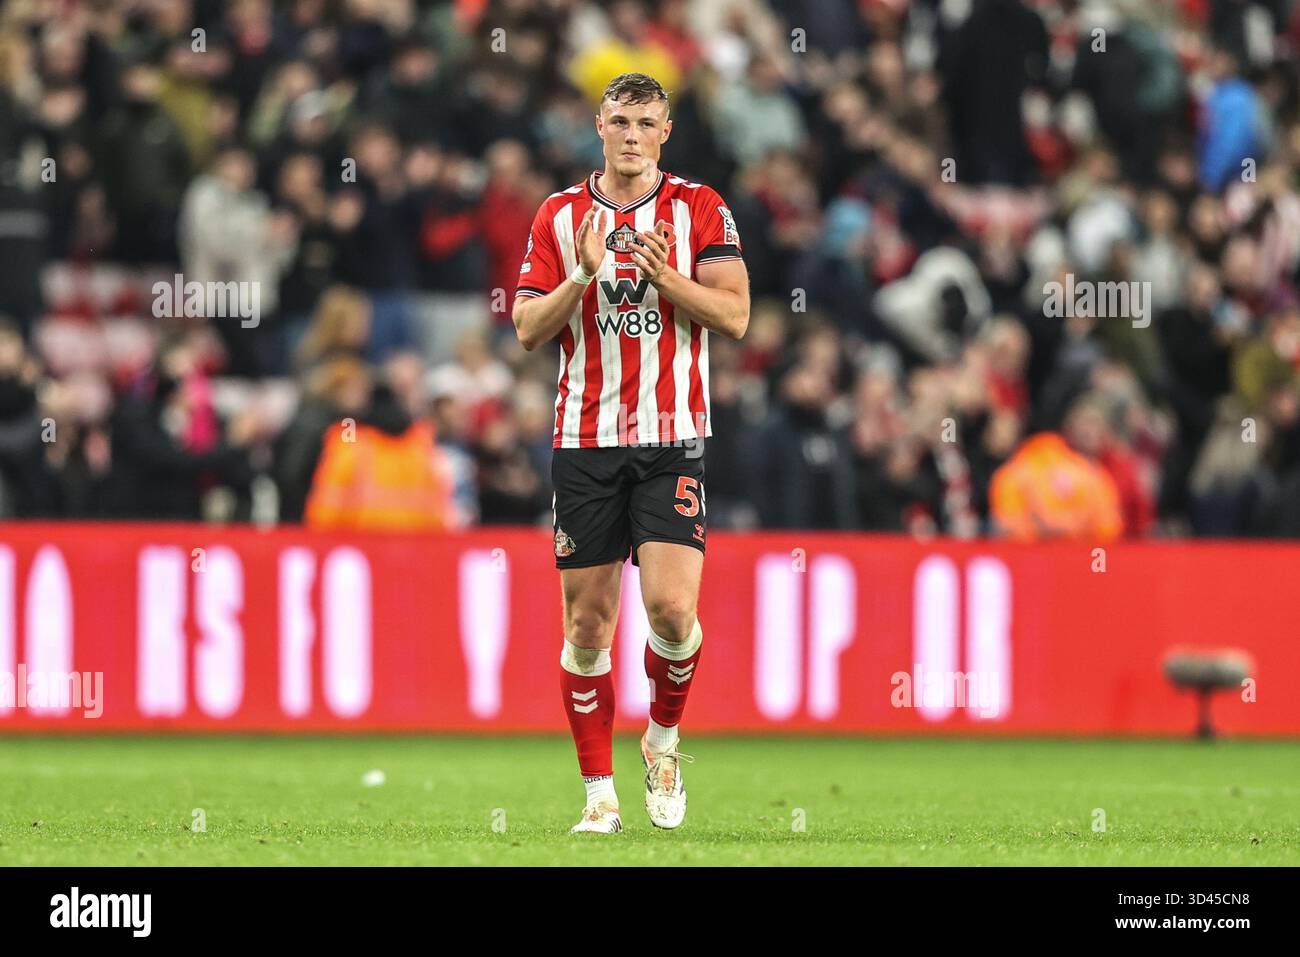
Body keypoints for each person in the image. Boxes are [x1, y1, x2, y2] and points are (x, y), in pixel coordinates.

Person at [512, 73, 749, 833]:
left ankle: (664, 738)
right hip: (583, 441)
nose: (632, 135)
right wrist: (583, 273)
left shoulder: (700, 207)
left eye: (646, 122)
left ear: (667, 130)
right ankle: (598, 796)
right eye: (620, 120)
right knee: (586, 626)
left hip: (671, 438)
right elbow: (525, 328)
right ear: (598, 125)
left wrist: (665, 276)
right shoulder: (557, 216)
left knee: (675, 612)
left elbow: (736, 315)